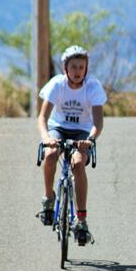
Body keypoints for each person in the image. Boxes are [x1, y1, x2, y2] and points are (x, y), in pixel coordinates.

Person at [37, 45, 106, 244]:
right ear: (65, 68)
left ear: (86, 69)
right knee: (50, 155)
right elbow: (42, 118)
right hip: (58, 127)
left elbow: (98, 122)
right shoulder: (57, 85)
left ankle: (81, 219)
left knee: (77, 164)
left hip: (83, 132)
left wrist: (90, 140)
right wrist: (46, 138)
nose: (77, 71)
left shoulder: (92, 87)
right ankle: (48, 199)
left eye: (81, 67)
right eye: (73, 67)